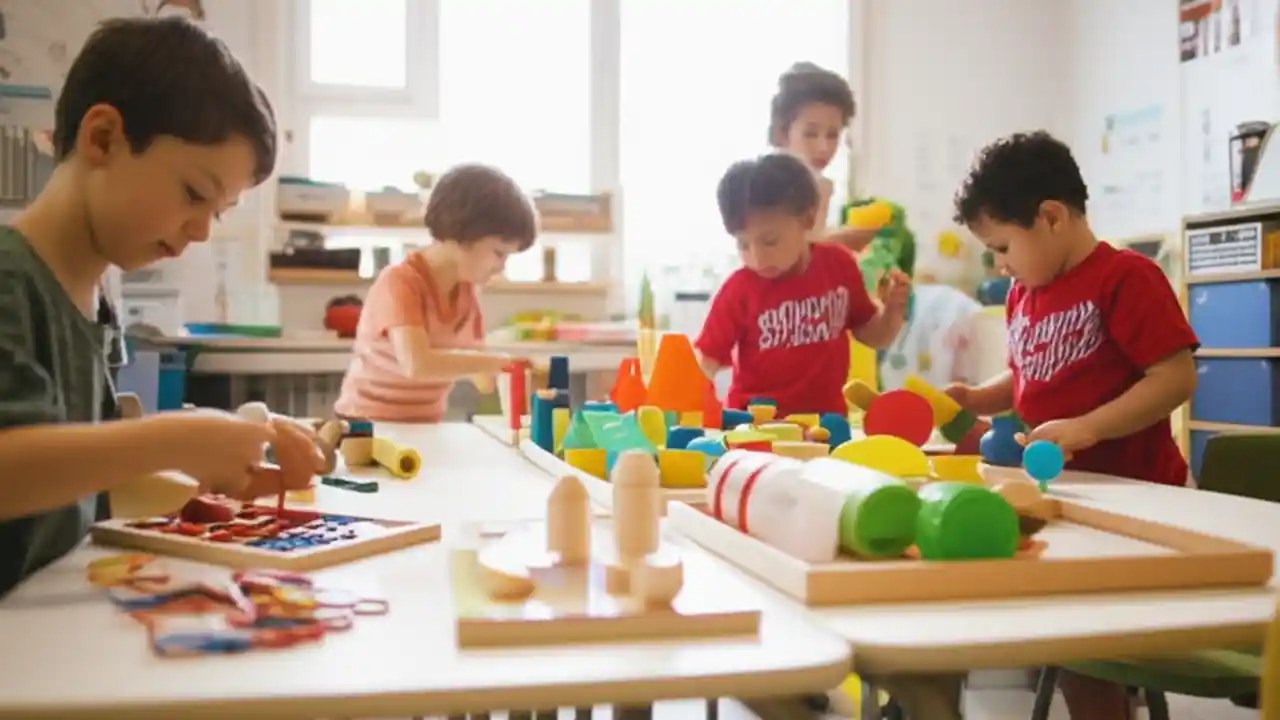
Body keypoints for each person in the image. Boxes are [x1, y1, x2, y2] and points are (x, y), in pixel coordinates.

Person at [0, 17, 319, 598]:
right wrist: (178, 439)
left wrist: (222, 463)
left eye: (216, 212)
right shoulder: (8, 280)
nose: (199, 231)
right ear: (102, 139)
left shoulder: (95, 300)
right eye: (194, 194)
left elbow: (83, 482)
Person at [946, 131, 1198, 720]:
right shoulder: (1024, 294)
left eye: (1003, 246)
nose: (1000, 264)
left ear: (1052, 217)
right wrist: (982, 394)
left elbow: (1175, 377)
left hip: (1140, 501)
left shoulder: (1125, 278)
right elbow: (1030, 371)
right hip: (1063, 497)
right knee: (1071, 645)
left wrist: (1088, 428)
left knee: (1086, 655)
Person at [695, 152, 910, 417]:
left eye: (770, 241)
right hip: (755, 426)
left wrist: (892, 311)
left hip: (826, 425)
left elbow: (873, 336)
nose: (758, 257)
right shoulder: (739, 290)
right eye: (743, 244)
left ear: (807, 219)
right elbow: (706, 362)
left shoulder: (838, 266)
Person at [335, 164, 536, 423]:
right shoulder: (400, 282)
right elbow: (417, 365)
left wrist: (520, 370)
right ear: (464, 234)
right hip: (365, 423)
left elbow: (483, 381)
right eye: (499, 253)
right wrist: (497, 362)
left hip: (424, 424)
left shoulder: (467, 293)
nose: (501, 266)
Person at [767, 61, 874, 251]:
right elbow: (783, 258)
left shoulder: (820, 185)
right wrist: (840, 240)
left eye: (833, 135)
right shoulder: (764, 185)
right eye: (810, 134)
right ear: (781, 132)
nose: (824, 147)